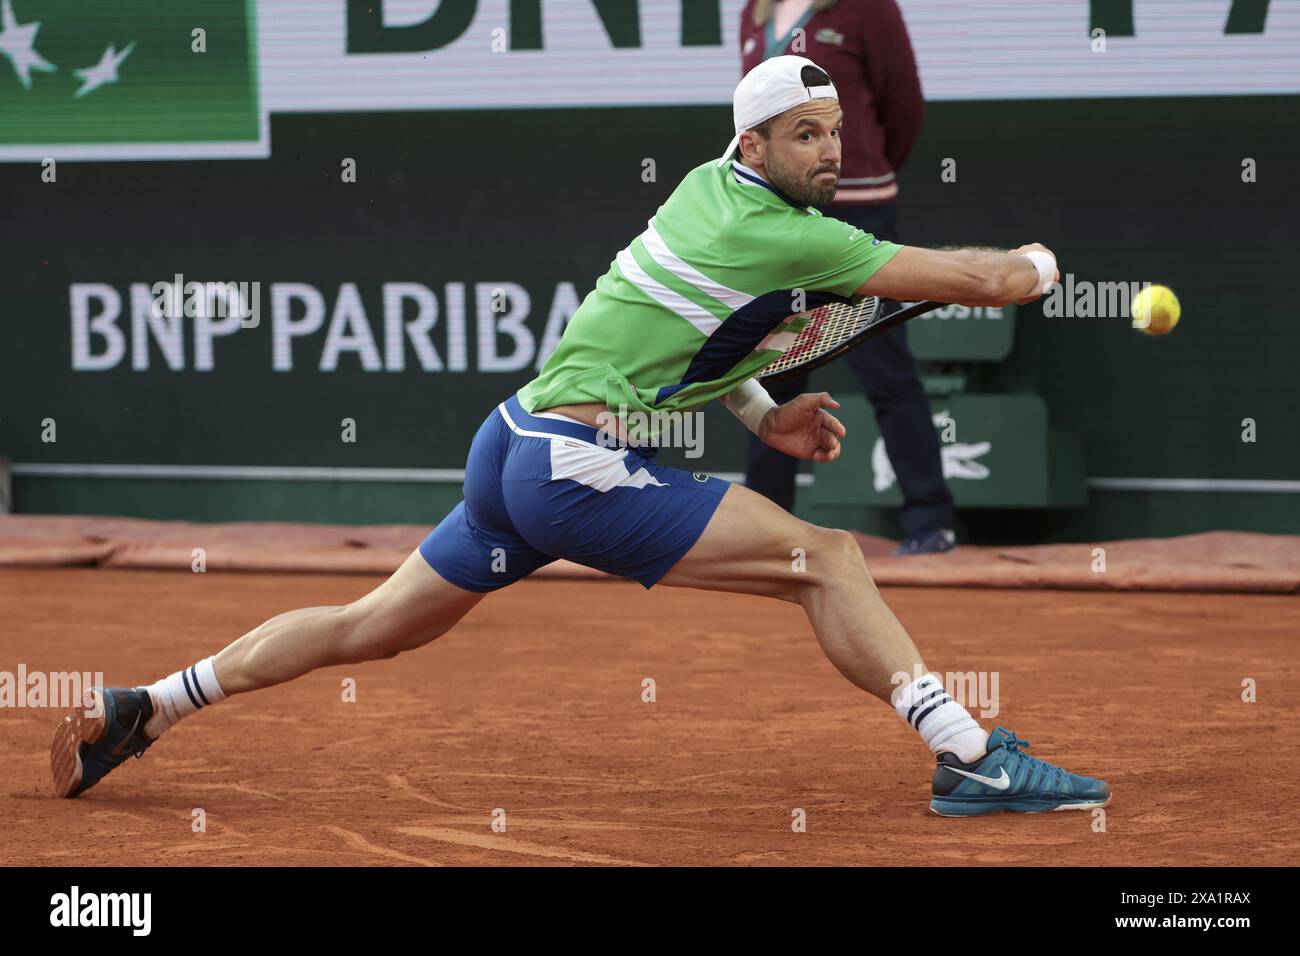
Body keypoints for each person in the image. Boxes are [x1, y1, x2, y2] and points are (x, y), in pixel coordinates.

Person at [51, 56, 1108, 818]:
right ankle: (966, 753)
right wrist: (1044, 259)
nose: (829, 151)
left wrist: (762, 412)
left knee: (374, 624)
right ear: (755, 145)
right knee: (825, 559)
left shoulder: (707, 193)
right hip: (575, 468)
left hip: (509, 444)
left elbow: (694, 338)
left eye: (834, 132)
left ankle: (150, 702)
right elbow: (981, 281)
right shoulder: (790, 232)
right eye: (805, 134)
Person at [740, 0, 955, 555]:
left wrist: (857, 173)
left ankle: (929, 522)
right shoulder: (753, 12)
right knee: (773, 366)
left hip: (856, 213)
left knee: (887, 368)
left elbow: (903, 107)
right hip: (780, 220)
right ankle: (767, 529)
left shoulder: (870, 9)